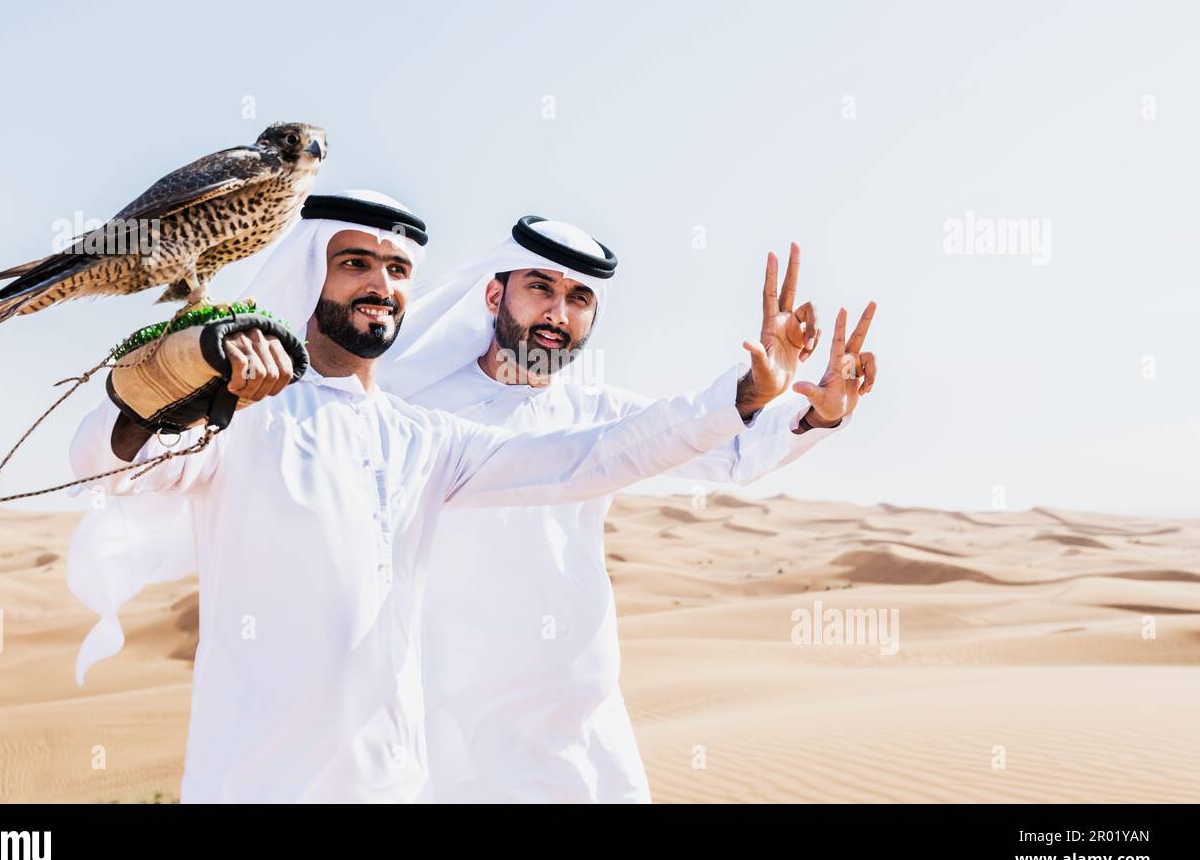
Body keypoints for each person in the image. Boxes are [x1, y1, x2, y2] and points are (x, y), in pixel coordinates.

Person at [65, 192, 809, 803]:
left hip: (399, 783)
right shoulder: (244, 417)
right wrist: (166, 395)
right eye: (355, 263)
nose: (380, 285)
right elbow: (109, 469)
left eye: (396, 269)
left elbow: (596, 453)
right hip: (259, 785)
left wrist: (740, 396)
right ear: (308, 277)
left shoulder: (426, 440)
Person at [379, 216, 878, 802]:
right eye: (540, 287)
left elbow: (729, 450)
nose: (558, 315)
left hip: (581, 729)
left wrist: (817, 412)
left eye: (579, 298)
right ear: (495, 294)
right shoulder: (413, 409)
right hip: (453, 732)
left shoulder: (598, 408)